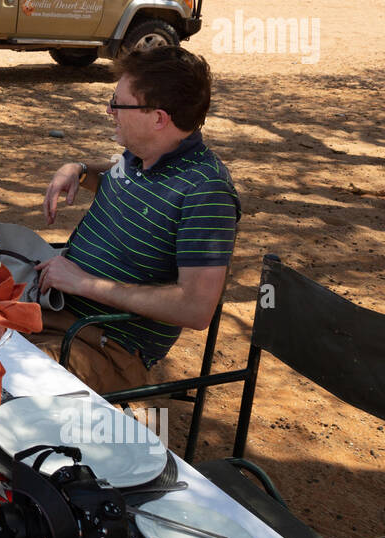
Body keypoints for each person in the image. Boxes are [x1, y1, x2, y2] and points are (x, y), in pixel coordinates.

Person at [34, 46, 240, 395]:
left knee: (0, 375)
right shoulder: (142, 155)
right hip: (57, 312)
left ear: (158, 118)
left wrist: (83, 283)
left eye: (118, 103)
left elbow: (195, 308)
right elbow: (132, 190)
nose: (109, 111)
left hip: (108, 347)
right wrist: (81, 171)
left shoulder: (205, 192)